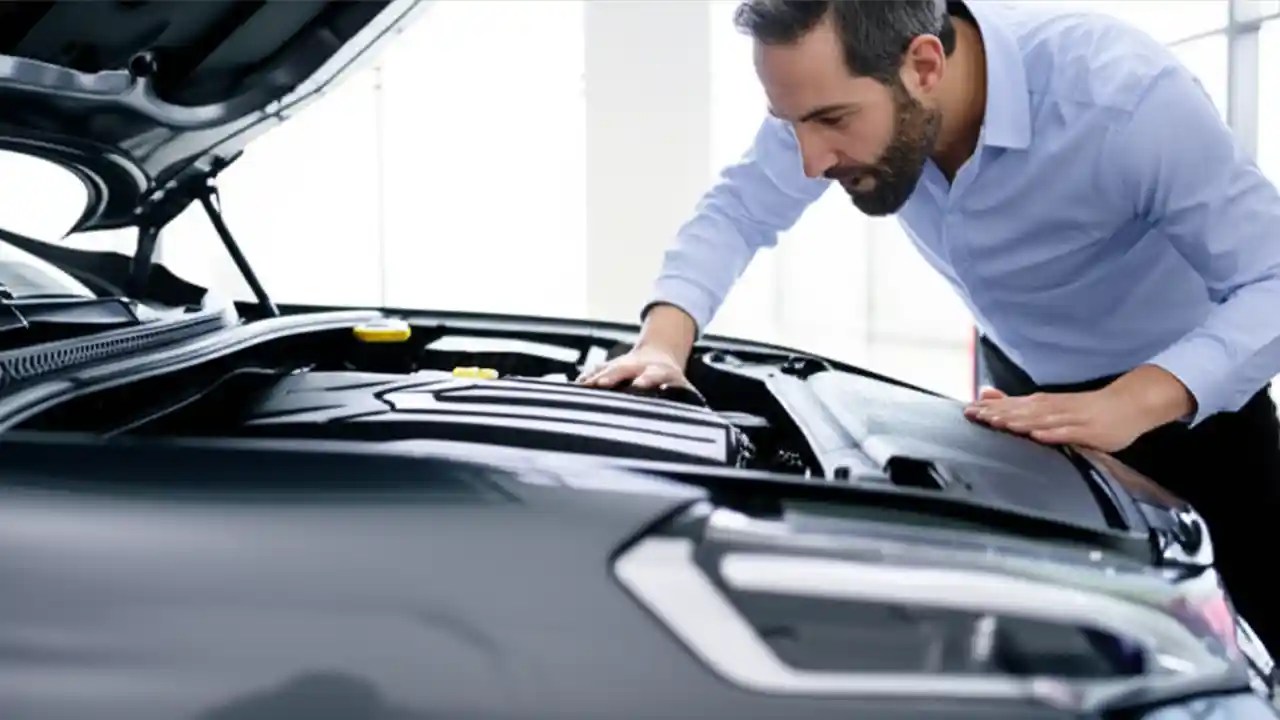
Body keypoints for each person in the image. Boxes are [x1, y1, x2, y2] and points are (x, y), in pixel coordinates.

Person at [576, 0, 1280, 651]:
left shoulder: (1120, 95)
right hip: (1021, 402)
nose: (812, 161)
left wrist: (1126, 404)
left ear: (924, 65)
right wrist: (663, 346)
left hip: (1192, 409)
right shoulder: (840, 84)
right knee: (1050, 654)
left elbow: (1271, 280)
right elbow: (740, 209)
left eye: (830, 122)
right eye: (791, 125)